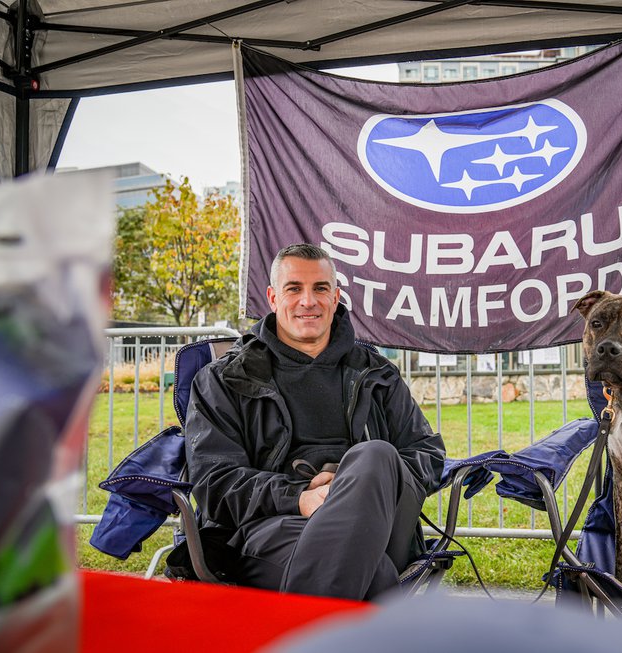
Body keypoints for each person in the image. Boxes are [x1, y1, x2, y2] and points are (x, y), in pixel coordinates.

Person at [184, 243, 445, 600]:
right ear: (273, 298)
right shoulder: (226, 379)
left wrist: (353, 484)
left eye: (320, 288)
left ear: (336, 297)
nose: (308, 301)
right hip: (273, 526)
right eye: (294, 289)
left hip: (383, 523)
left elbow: (426, 453)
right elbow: (215, 482)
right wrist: (300, 497)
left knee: (375, 456)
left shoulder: (376, 374)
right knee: (376, 573)